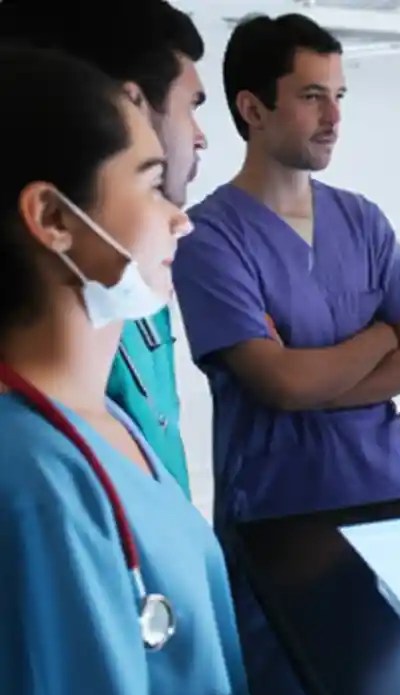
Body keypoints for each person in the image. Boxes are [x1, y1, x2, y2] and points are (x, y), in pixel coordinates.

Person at [170, 13, 400, 695]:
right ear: (253, 109)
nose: (333, 118)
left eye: (340, 97)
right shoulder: (209, 239)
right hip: (280, 531)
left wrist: (312, 379)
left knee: (383, 694)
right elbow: (279, 384)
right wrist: (382, 334)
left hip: (383, 514)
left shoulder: (365, 221)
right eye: (312, 96)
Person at [0, 43, 249, 695]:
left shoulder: (100, 423)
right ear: (54, 220)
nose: (180, 217)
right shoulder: (33, 485)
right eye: (148, 183)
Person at [0, 0, 209, 499]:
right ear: (131, 101)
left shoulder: (129, 283)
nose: (199, 137)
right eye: (192, 106)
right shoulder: (30, 458)